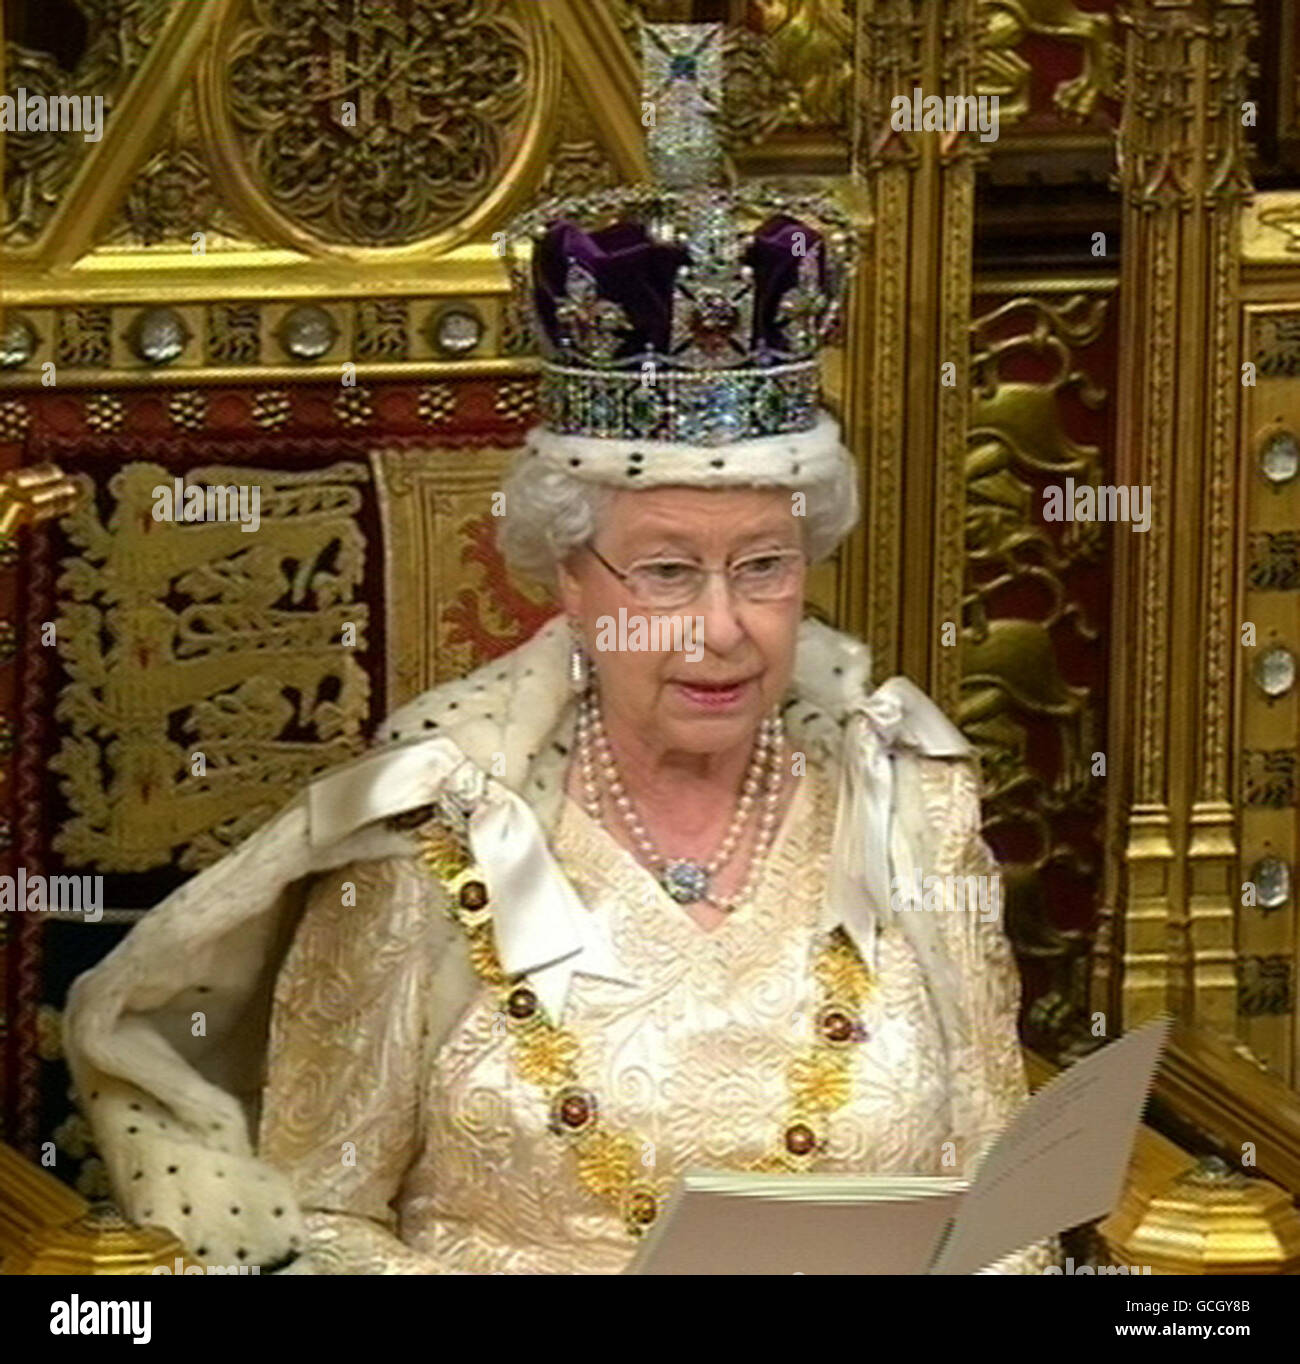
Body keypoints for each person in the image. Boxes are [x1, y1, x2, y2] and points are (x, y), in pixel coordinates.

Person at [62, 23, 1056, 1274]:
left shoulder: (907, 799)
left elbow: (1001, 1203)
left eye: (764, 565)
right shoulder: (432, 834)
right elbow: (319, 1220)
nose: (720, 626)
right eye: (664, 569)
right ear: (567, 582)